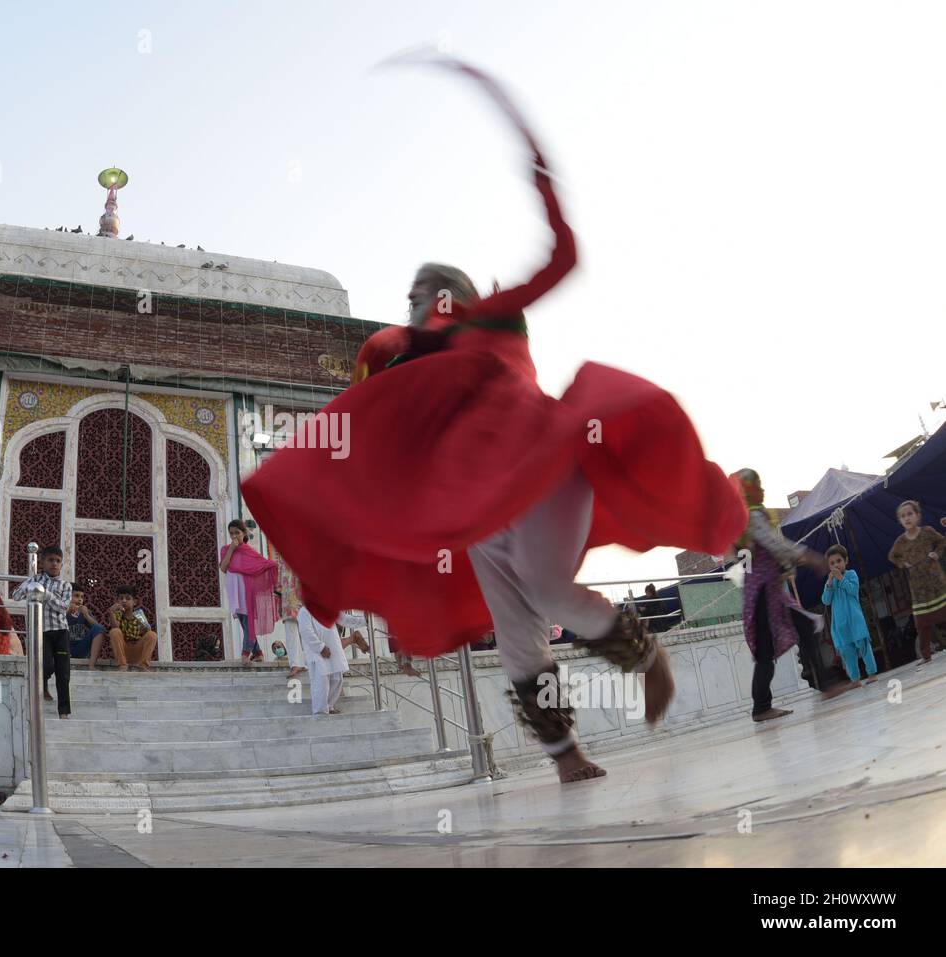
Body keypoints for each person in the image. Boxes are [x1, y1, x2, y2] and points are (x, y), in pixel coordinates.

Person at [242, 59, 746, 784]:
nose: (416, 297)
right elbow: (371, 421)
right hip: (471, 509)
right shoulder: (404, 355)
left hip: (536, 464)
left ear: (459, 291)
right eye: (411, 292)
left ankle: (644, 655)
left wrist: (542, 179)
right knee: (517, 638)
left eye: (429, 287)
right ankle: (565, 756)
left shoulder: (494, 315)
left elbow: (562, 260)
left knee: (546, 589)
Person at [733, 469, 857, 722]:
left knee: (796, 632)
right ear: (749, 490)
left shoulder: (742, 522)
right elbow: (776, 546)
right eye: (758, 485)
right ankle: (768, 704)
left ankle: (818, 686)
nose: (763, 489)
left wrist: (788, 565)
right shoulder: (753, 517)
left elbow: (760, 558)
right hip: (765, 595)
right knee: (785, 639)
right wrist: (811, 557)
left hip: (763, 594)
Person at [12, 545, 74, 717]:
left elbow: (63, 608)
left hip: (61, 631)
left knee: (64, 673)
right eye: (50, 560)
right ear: (42, 562)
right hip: (42, 631)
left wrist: (44, 593)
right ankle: (43, 684)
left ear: (61, 564)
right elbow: (16, 595)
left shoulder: (65, 585)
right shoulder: (34, 580)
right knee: (45, 665)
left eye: (58, 561)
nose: (54, 564)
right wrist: (30, 587)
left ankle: (64, 711)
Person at [888, 500, 946, 666]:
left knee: (944, 615)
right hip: (918, 589)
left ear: (918, 516)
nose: (907, 518)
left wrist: (936, 553)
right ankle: (926, 655)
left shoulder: (927, 532)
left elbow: (942, 541)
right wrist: (903, 564)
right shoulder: (901, 541)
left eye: (910, 514)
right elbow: (892, 556)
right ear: (900, 520)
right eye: (903, 516)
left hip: (937, 584)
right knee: (922, 623)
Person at [219, 519, 279, 664]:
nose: (234, 536)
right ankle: (258, 653)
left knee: (248, 623)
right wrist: (232, 549)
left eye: (237, 533)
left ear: (244, 533)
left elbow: (263, 565)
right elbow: (223, 567)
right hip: (234, 592)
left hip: (247, 592)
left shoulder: (249, 551)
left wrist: (278, 565)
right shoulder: (226, 549)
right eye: (231, 533)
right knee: (244, 623)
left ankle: (245, 654)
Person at [821, 545, 877, 684]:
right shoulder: (830, 582)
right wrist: (829, 583)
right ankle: (855, 679)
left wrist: (842, 579)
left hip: (855, 620)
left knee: (863, 646)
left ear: (846, 561)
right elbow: (826, 601)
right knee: (847, 651)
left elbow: (853, 591)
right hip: (840, 624)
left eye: (838, 561)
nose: (836, 565)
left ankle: (872, 674)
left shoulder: (851, 574)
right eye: (832, 563)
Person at [297, 602, 349, 715]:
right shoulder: (304, 611)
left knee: (337, 678)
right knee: (320, 683)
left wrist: (364, 620)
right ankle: (320, 711)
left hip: (333, 650)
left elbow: (344, 619)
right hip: (317, 653)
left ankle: (330, 706)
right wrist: (320, 647)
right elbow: (306, 631)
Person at [107, 584, 158, 672]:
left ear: (134, 602)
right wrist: (111, 612)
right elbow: (115, 626)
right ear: (117, 601)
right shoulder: (117, 614)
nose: (124, 601)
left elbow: (147, 633)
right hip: (123, 651)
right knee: (114, 631)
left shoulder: (139, 616)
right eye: (121, 598)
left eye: (127, 598)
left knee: (152, 635)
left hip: (137, 650)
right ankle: (122, 664)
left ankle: (143, 664)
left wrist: (144, 628)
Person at [67, 588, 107, 667]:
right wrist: (67, 611)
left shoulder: (84, 612)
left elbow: (98, 628)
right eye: (76, 596)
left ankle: (91, 665)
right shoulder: (61, 610)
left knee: (100, 628)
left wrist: (86, 615)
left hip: (80, 648)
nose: (80, 599)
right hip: (64, 649)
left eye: (82, 597)